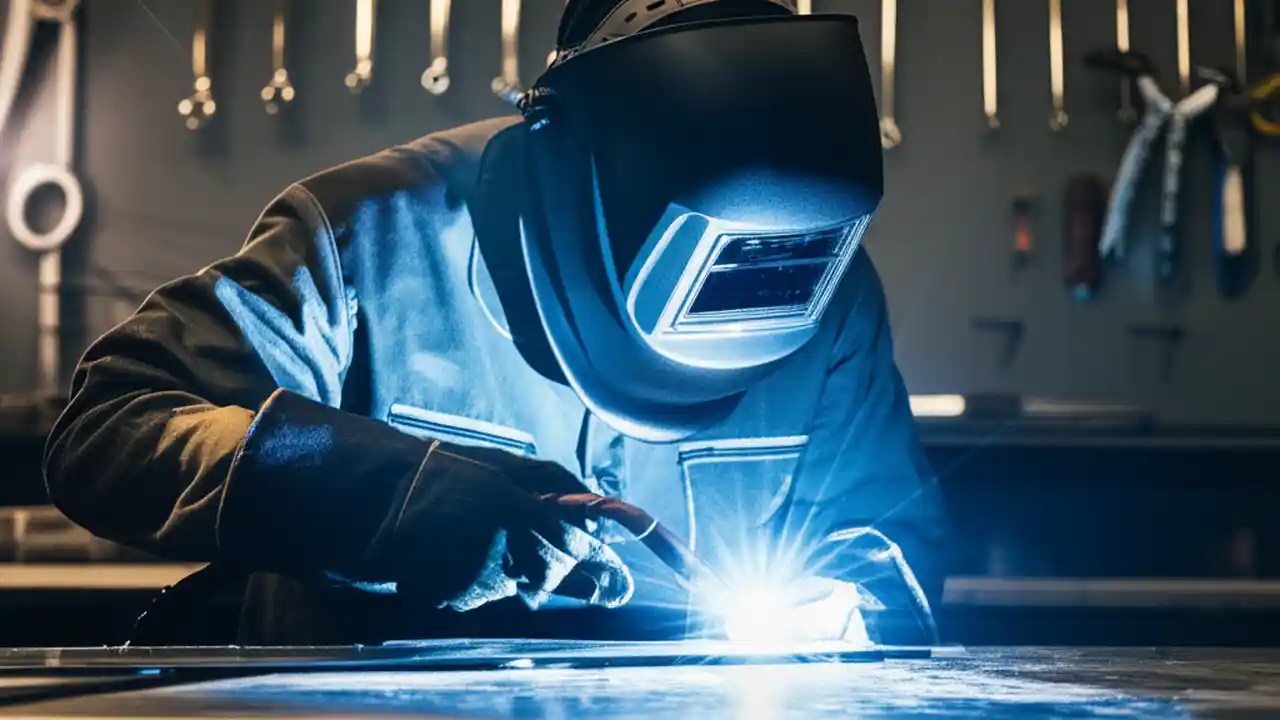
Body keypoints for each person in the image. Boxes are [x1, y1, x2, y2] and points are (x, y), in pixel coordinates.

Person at [43, 0, 948, 645]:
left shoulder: (829, 295)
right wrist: (380, 493)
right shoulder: (373, 239)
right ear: (575, 172)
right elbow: (110, 425)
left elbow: (886, 544)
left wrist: (831, 614)